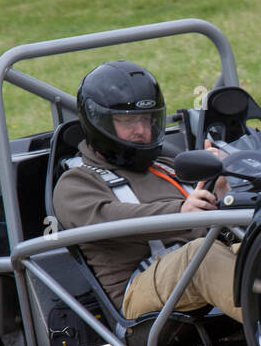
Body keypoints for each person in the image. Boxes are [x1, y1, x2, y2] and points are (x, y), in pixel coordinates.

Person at [51, 60, 242, 322]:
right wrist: (180, 212)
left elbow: (206, 225)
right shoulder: (75, 183)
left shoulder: (166, 165)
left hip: (192, 272)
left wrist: (223, 190)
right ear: (100, 123)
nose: (141, 131)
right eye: (127, 121)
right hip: (137, 300)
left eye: (146, 119)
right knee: (201, 256)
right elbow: (112, 219)